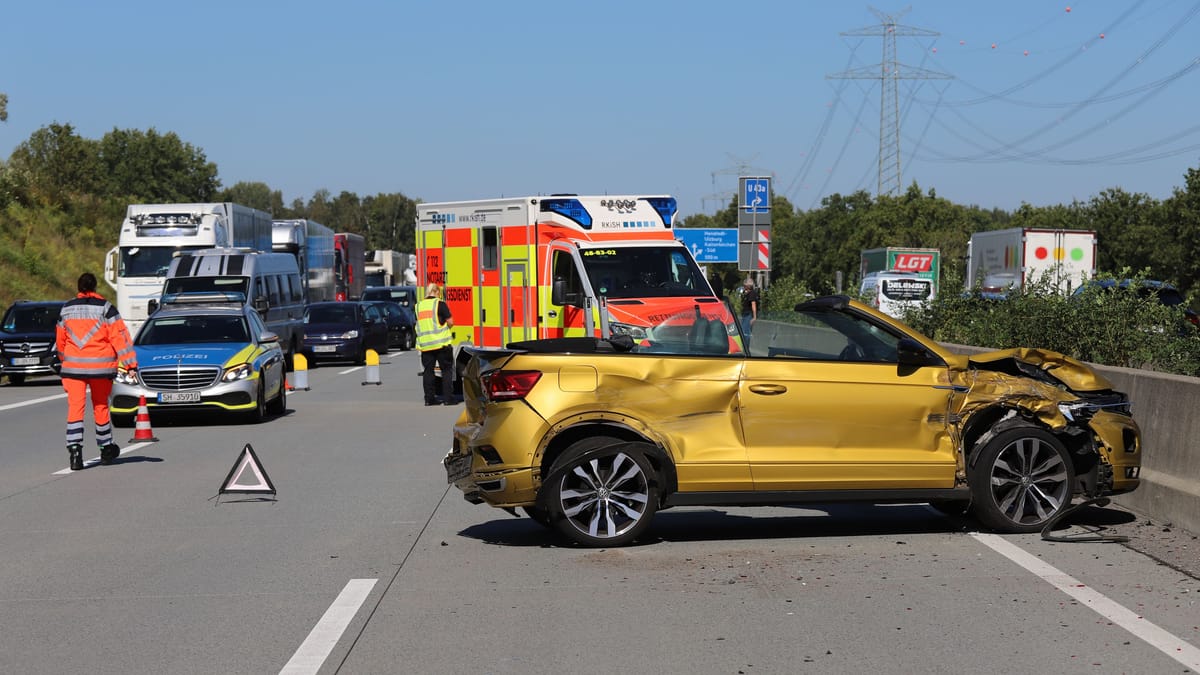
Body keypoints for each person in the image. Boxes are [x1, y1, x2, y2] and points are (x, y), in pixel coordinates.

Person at [56, 272, 138, 470]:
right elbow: (120, 338)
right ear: (94, 287)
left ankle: (75, 451)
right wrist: (130, 365)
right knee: (100, 407)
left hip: (73, 368)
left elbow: (61, 340)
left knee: (75, 409)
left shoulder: (66, 309)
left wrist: (64, 360)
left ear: (79, 287)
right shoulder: (106, 309)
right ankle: (105, 449)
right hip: (101, 369)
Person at [416, 282, 456, 406]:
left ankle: (429, 399)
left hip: (426, 345)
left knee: (428, 372)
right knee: (446, 371)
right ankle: (448, 399)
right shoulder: (440, 304)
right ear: (437, 291)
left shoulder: (418, 306)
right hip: (441, 344)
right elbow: (450, 322)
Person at [740, 277, 759, 343]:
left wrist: (754, 317)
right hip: (745, 314)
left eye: (744, 285)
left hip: (748, 314)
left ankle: (746, 348)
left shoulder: (752, 294)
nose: (744, 287)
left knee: (745, 333)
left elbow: (753, 304)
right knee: (743, 331)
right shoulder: (748, 293)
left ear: (748, 286)